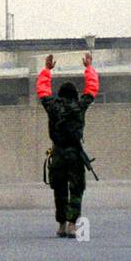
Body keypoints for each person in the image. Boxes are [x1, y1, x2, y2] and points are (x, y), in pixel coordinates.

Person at [36, 51, 99, 237]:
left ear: (60, 94)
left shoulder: (52, 106)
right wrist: (89, 68)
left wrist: (47, 70)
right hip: (74, 154)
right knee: (76, 189)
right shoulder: (79, 106)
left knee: (59, 189)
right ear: (74, 95)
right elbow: (92, 90)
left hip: (57, 154)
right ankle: (72, 224)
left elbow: (42, 90)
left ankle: (62, 224)